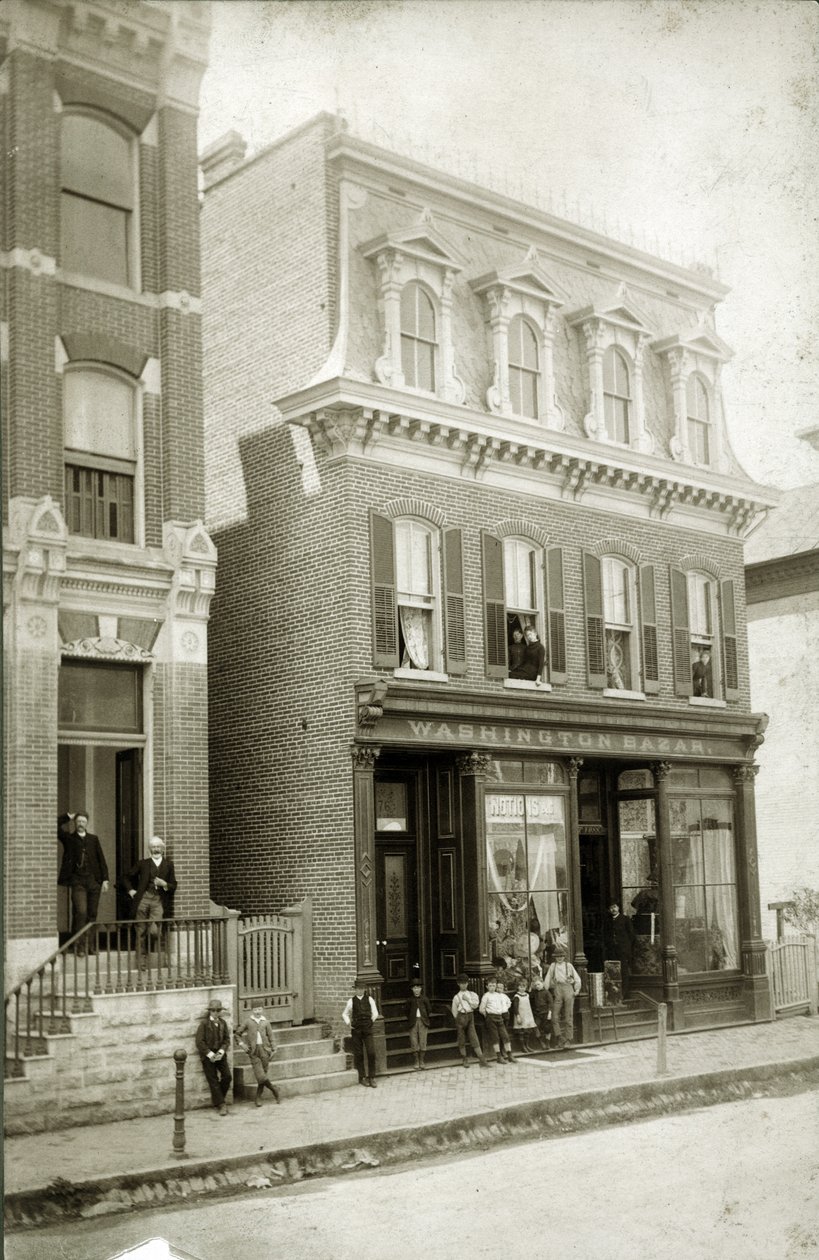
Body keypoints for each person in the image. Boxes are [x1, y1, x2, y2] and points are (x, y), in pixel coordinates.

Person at [57, 811, 109, 953]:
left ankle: (90, 946)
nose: (81, 824)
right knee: (81, 912)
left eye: (83, 822)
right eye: (79, 821)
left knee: (92, 913)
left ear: (87, 823)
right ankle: (79, 946)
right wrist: (67, 816)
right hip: (77, 881)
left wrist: (105, 879)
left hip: (93, 881)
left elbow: (101, 859)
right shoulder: (69, 838)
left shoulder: (93, 839)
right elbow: (55, 826)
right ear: (75, 822)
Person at [124, 837, 177, 965]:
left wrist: (164, 884)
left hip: (158, 900)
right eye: (153, 847)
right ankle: (141, 961)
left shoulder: (168, 865)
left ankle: (146, 950)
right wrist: (131, 890)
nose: (156, 849)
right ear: (149, 849)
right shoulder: (143, 863)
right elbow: (126, 877)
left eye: (158, 847)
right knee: (140, 930)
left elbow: (173, 885)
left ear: (163, 849)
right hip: (144, 898)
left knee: (154, 931)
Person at [235, 1005, 281, 1106]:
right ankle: (274, 1090)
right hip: (254, 1051)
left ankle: (258, 1098)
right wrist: (242, 1044)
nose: (257, 1012)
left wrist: (274, 1048)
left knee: (262, 1076)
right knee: (260, 1076)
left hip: (265, 1051)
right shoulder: (248, 1021)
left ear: (263, 1009)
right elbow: (237, 1034)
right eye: (255, 1009)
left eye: (259, 1009)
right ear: (252, 1010)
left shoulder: (266, 1022)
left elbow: (271, 1036)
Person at [342, 978, 381, 1087]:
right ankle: (362, 1077)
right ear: (355, 990)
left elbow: (375, 1013)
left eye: (362, 989)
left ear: (364, 989)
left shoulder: (370, 1000)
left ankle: (372, 1077)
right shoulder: (351, 1001)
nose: (360, 991)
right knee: (359, 1054)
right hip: (356, 1030)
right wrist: (348, 1023)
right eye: (358, 989)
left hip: (367, 1029)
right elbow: (344, 1014)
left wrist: (370, 1021)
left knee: (371, 1052)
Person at [196, 997, 232, 1116]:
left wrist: (221, 1052)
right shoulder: (204, 1024)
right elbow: (199, 1042)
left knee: (227, 1076)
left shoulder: (223, 1023)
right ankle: (221, 1104)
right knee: (213, 1080)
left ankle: (218, 1099)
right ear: (210, 1011)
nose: (216, 1013)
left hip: (220, 1054)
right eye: (213, 1011)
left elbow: (227, 1040)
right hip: (208, 1056)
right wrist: (210, 1054)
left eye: (218, 1010)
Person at [544, 944, 581, 1050]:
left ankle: (569, 1039)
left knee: (568, 1016)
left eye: (561, 956)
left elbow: (577, 978)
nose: (559, 958)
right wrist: (545, 989)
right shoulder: (553, 966)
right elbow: (547, 979)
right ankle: (560, 1038)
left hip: (568, 989)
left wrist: (577, 989)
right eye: (557, 956)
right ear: (554, 957)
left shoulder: (568, 966)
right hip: (557, 989)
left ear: (564, 957)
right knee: (554, 1016)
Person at [450, 974, 491, 1068]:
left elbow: (475, 1006)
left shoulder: (472, 994)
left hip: (470, 1016)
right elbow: (454, 1010)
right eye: (461, 983)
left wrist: (468, 1000)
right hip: (461, 1017)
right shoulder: (456, 997)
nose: (463, 985)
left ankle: (481, 1059)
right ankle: (464, 1058)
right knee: (461, 1038)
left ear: (468, 983)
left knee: (474, 1037)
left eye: (465, 983)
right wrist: (458, 1019)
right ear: (458, 984)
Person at [479, 978, 516, 1064]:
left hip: (500, 1017)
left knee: (505, 1036)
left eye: (494, 986)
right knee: (495, 1037)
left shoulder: (498, 995)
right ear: (487, 987)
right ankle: (499, 1056)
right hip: (491, 1018)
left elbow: (504, 1005)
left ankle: (510, 1055)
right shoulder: (486, 996)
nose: (492, 987)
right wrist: (488, 1015)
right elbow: (481, 1009)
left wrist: (502, 1012)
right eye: (490, 986)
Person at [607, 902, 636, 999]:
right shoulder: (608, 921)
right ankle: (615, 993)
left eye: (614, 907)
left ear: (618, 907)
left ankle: (624, 993)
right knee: (613, 971)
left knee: (623, 971)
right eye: (611, 907)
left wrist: (626, 948)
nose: (613, 909)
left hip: (623, 951)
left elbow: (631, 935)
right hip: (612, 951)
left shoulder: (625, 919)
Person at [405, 979, 432, 1070]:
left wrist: (424, 1018)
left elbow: (429, 1010)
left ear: (421, 989)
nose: (416, 990)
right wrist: (412, 1019)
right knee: (414, 1041)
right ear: (412, 989)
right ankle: (416, 1060)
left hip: (423, 1021)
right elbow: (406, 1011)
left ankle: (422, 1060)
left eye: (418, 988)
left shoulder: (425, 999)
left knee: (423, 1040)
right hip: (413, 1022)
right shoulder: (409, 1000)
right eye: (414, 988)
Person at [529, 975, 552, 1049]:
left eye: (538, 984)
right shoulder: (534, 993)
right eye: (536, 985)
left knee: (547, 1028)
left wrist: (550, 1013)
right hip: (537, 1014)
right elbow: (529, 996)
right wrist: (530, 988)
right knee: (535, 1026)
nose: (537, 986)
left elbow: (550, 1003)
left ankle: (547, 1043)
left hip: (545, 1012)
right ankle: (541, 1042)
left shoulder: (546, 992)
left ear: (542, 983)